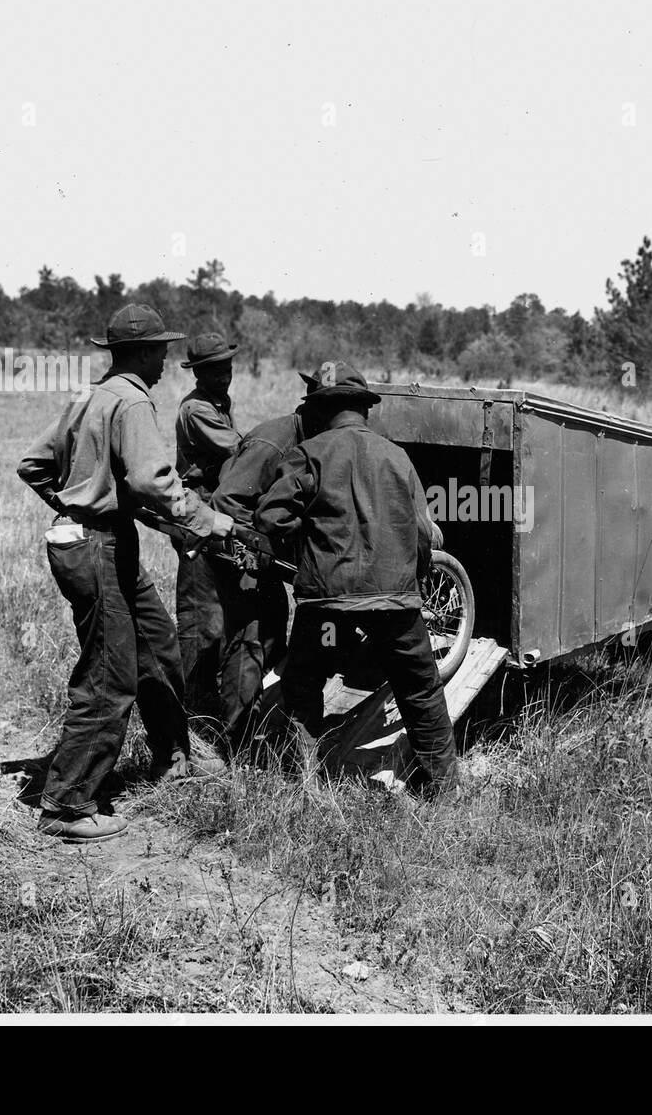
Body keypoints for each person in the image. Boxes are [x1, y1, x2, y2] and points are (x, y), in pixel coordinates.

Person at [18, 303, 235, 843]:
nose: (166, 360)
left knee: (159, 646)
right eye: (159, 350)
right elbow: (152, 482)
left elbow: (34, 464)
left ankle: (173, 757)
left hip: (96, 541)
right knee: (109, 674)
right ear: (139, 353)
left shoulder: (90, 394)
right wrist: (207, 519)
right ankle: (66, 806)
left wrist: (77, 501)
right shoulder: (133, 401)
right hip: (97, 548)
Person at [252, 362, 458, 797]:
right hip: (397, 607)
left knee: (305, 684)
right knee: (421, 690)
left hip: (330, 609)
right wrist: (413, 577)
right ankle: (443, 792)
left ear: (321, 410)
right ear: (365, 409)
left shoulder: (309, 454)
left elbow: (271, 518)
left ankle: (305, 785)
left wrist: (310, 547)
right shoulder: (397, 456)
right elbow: (424, 534)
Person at [208, 375, 321, 749]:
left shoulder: (306, 439)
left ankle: (259, 726)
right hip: (240, 557)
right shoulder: (274, 441)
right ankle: (234, 746)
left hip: (261, 558)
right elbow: (227, 501)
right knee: (250, 642)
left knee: (270, 634)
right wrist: (257, 548)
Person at [172, 332, 243, 716]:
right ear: (198, 373)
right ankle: (190, 710)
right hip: (198, 513)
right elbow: (235, 447)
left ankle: (206, 698)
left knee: (219, 614)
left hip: (215, 509)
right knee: (202, 619)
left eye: (227, 368)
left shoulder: (218, 401)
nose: (223, 376)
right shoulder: (197, 409)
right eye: (214, 371)